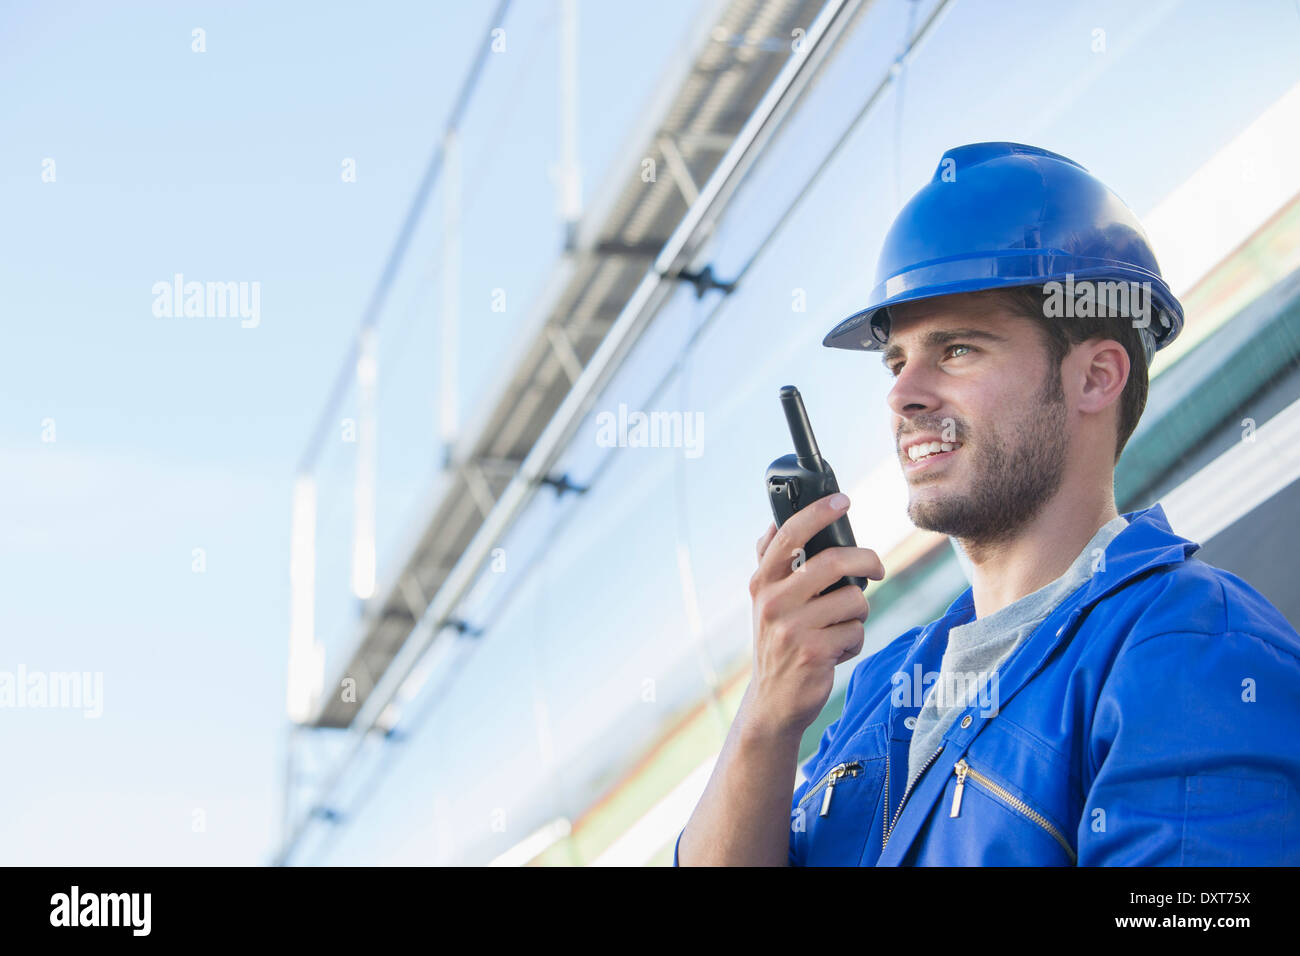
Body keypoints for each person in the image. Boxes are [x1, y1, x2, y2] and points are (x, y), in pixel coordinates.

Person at [674, 142, 1300, 866]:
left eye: (958, 350)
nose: (903, 395)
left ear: (1096, 378)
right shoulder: (885, 687)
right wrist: (767, 718)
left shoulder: (1192, 653)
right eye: (897, 360)